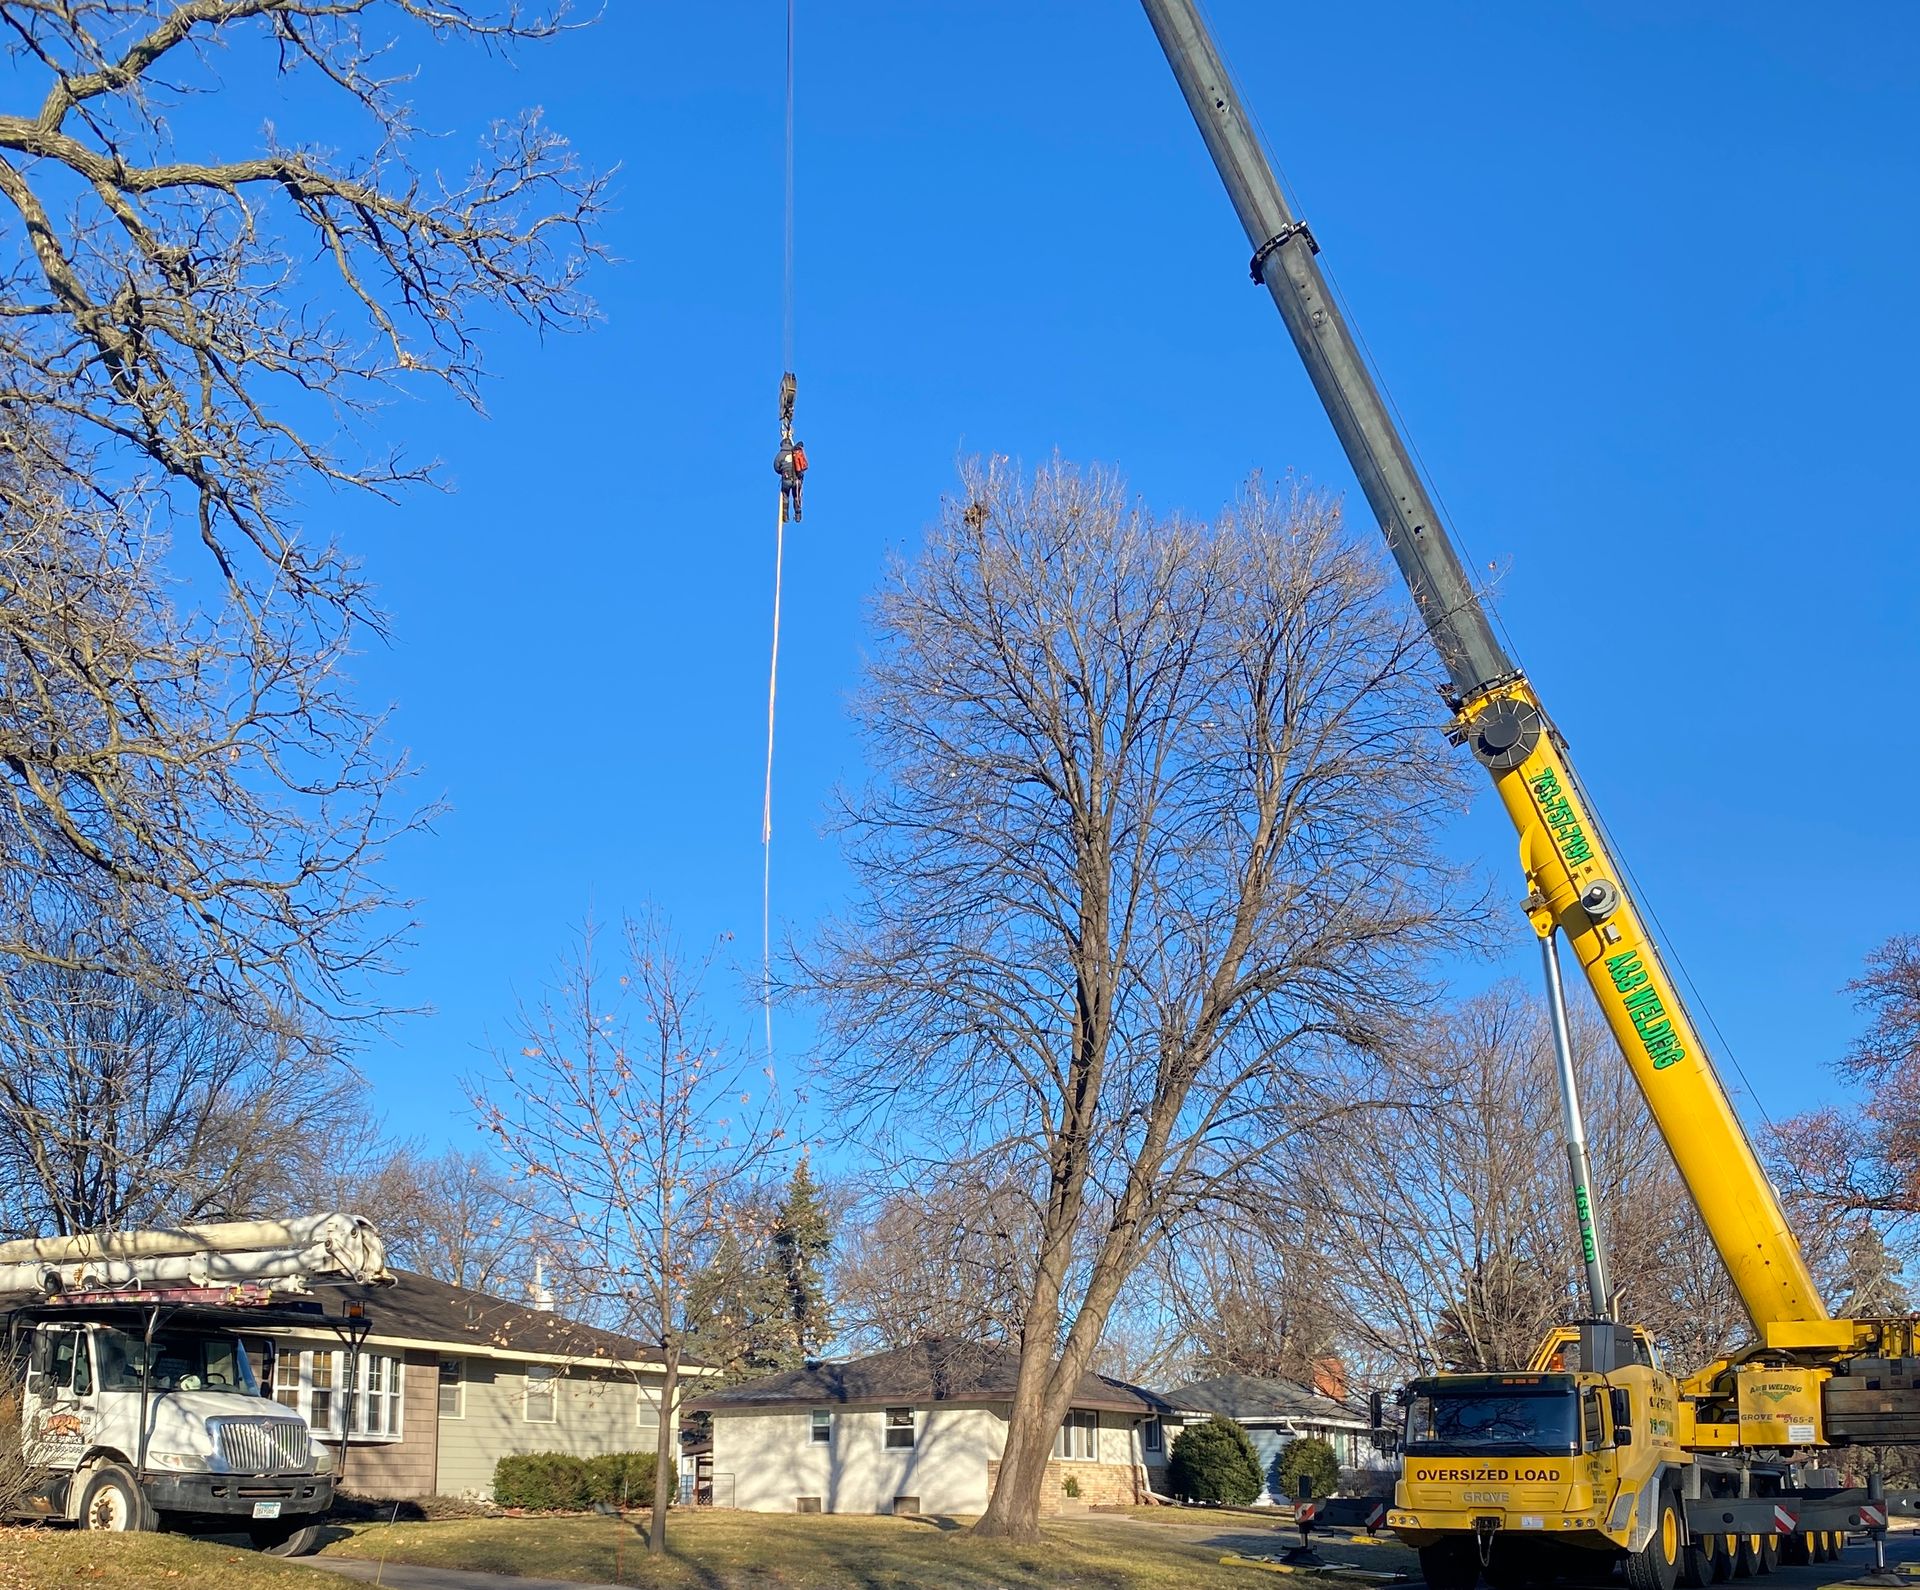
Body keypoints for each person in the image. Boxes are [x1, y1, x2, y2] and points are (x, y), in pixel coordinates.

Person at [775, 436, 808, 522]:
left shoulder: (780, 455)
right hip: (797, 480)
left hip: (786, 480)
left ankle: (785, 517)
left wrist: (782, 472)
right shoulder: (795, 452)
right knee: (796, 497)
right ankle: (798, 516)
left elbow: (776, 468)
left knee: (785, 496)